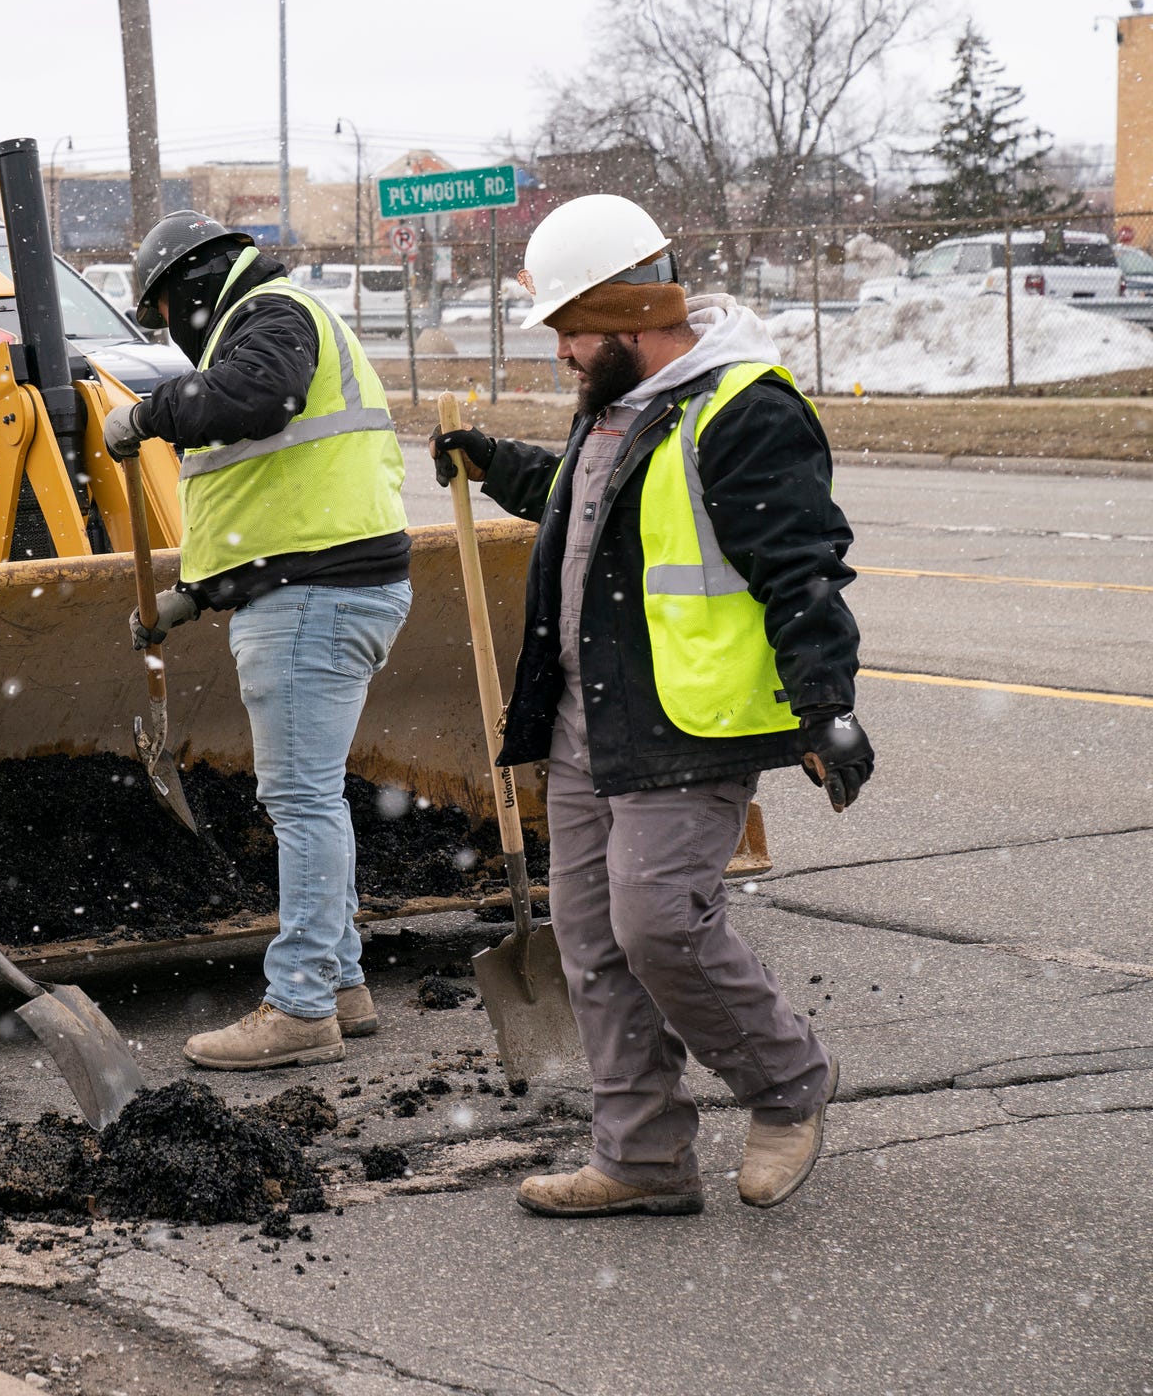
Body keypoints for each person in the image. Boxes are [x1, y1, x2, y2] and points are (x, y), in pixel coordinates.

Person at [431, 193, 872, 1216]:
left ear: (630, 316)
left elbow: (801, 569)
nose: (563, 356)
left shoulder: (742, 408)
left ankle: (788, 1082)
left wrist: (826, 707)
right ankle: (641, 1157)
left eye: (573, 334)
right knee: (589, 940)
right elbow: (594, 508)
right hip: (591, 724)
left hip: (688, 725)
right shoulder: (619, 410)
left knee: (659, 924)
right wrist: (501, 466)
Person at [102, 212, 413, 1070]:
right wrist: (189, 598)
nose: (170, 330)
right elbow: (272, 503)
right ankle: (342, 982)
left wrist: (147, 415)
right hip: (319, 588)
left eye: (167, 310)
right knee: (316, 797)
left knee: (301, 802)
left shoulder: (273, 317)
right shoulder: (267, 324)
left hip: (317, 599)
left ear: (195, 283)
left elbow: (253, 402)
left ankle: (302, 1004)